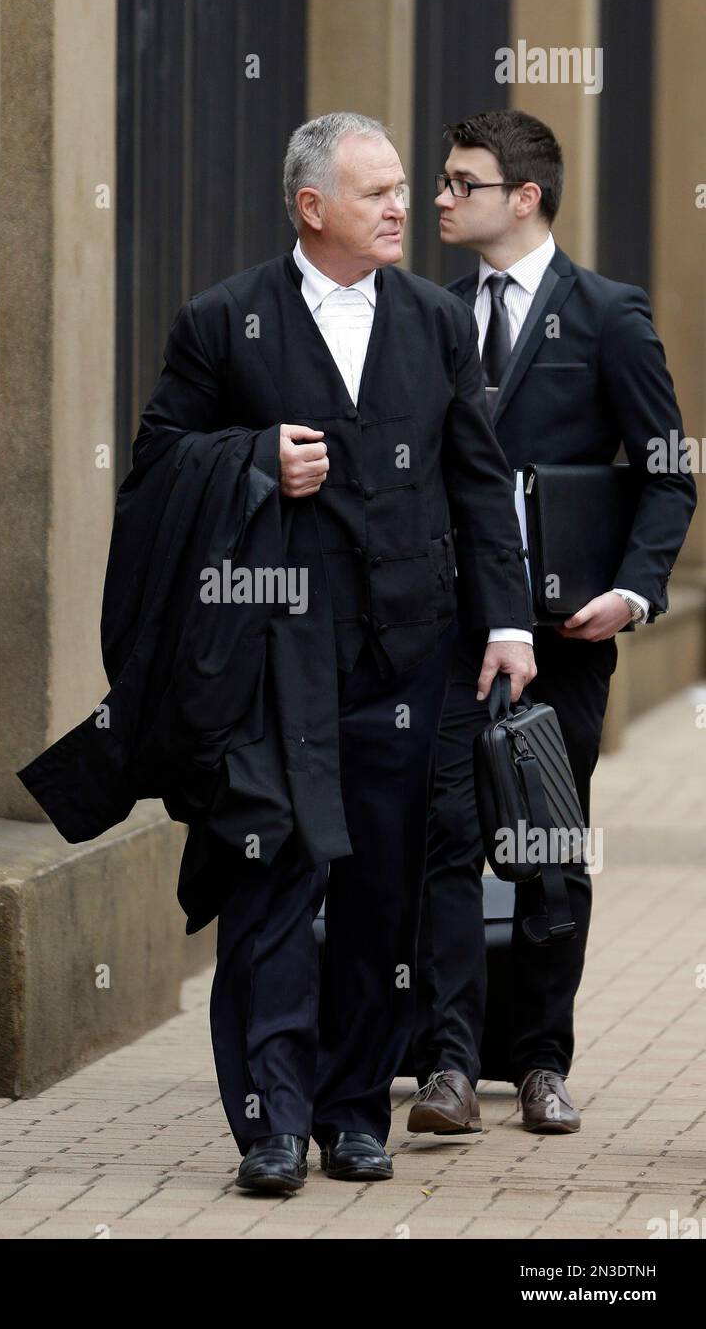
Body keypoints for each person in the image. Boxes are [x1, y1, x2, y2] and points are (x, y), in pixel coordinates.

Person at [133, 111, 535, 1192]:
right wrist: (253, 458)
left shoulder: (435, 324)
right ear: (311, 208)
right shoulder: (224, 323)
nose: (405, 206)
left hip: (404, 657)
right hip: (269, 663)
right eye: (378, 192)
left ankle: (355, 1109)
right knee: (268, 885)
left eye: (406, 188)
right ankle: (270, 1122)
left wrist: (505, 621)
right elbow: (157, 462)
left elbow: (477, 477)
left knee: (377, 892)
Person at [408, 109, 698, 1139]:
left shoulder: (608, 315)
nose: (438, 197)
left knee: (545, 850)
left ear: (522, 197)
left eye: (460, 182)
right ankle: (447, 1065)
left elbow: (669, 472)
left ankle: (539, 1062)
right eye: (439, 181)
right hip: (447, 632)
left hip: (562, 637)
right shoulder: (431, 316)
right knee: (443, 844)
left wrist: (632, 592)